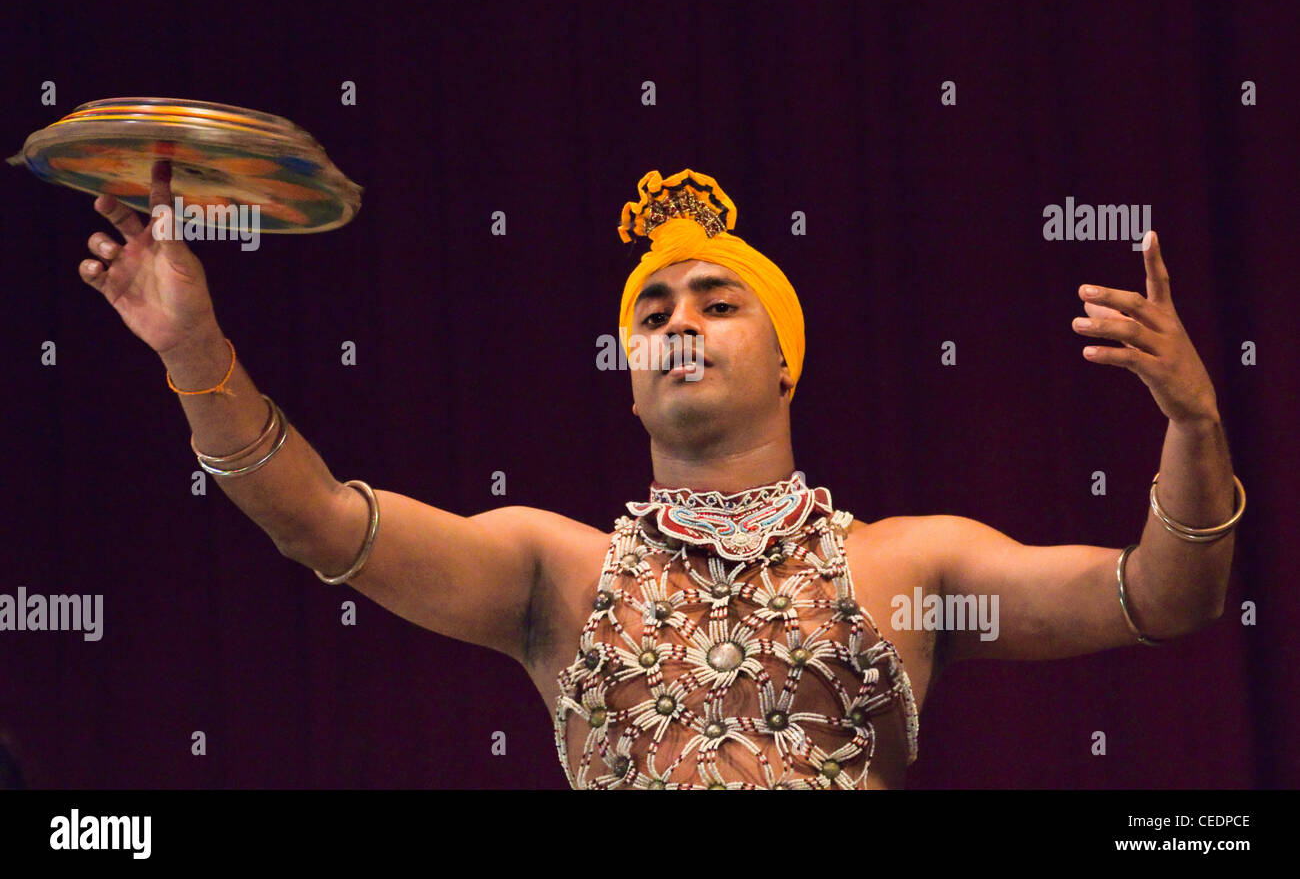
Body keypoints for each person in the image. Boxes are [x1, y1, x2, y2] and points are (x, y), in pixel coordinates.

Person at [79, 164, 1243, 789]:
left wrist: (1192, 422)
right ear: (630, 379)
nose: (677, 318)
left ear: (783, 359)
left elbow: (1163, 597)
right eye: (651, 307)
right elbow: (318, 521)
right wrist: (196, 354)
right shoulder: (551, 569)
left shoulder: (912, 561)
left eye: (715, 299)